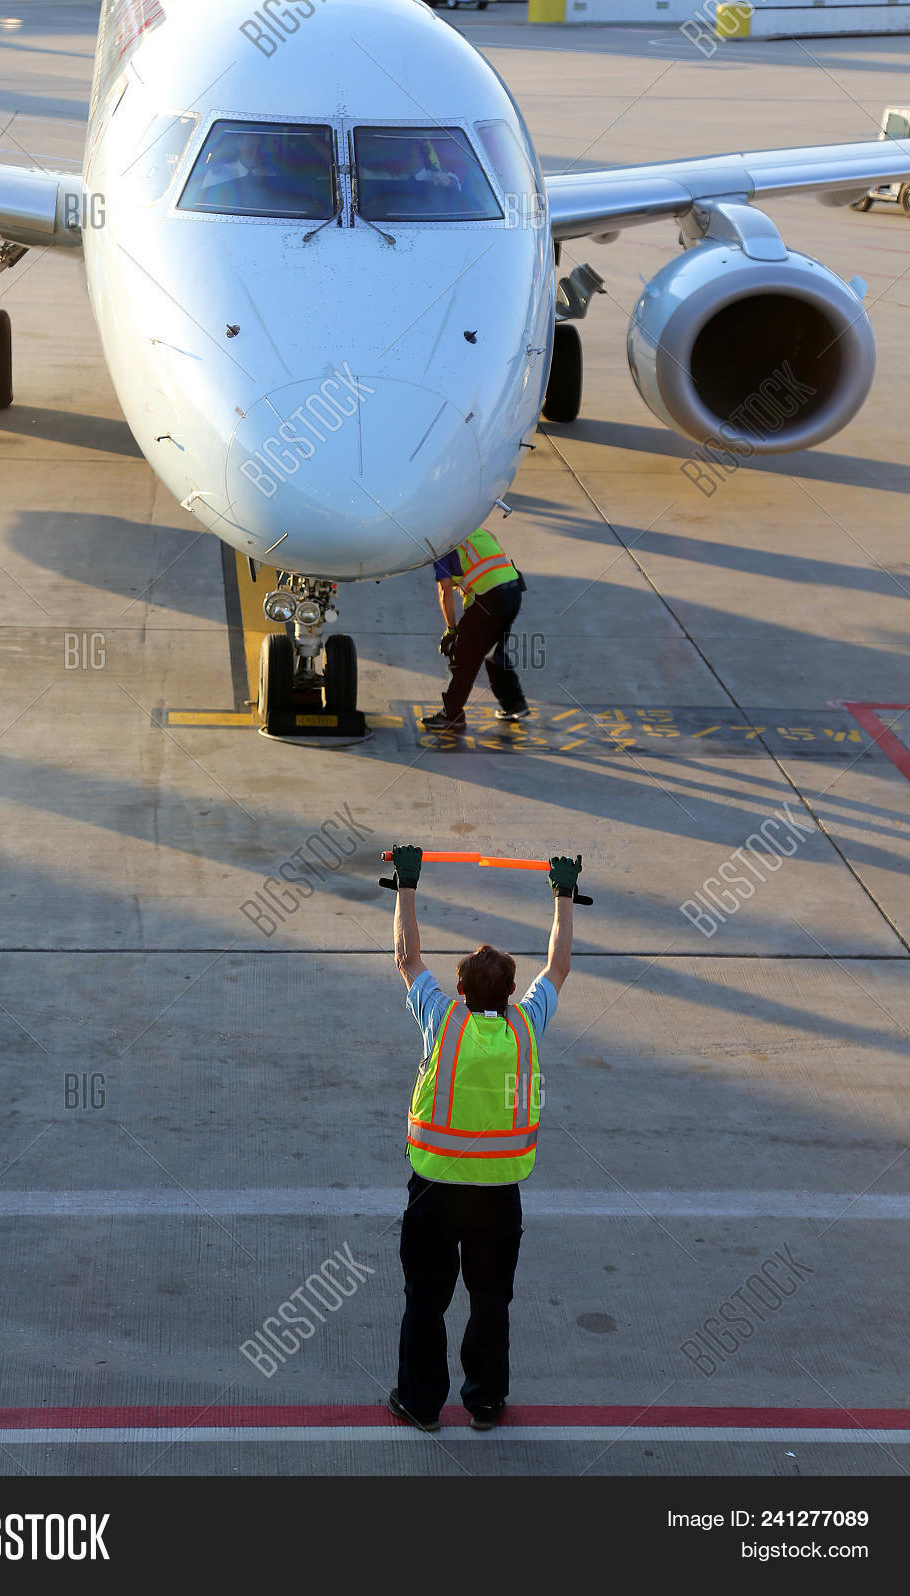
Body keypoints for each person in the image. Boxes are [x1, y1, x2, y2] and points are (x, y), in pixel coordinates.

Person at [387, 842, 581, 1432]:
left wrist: (407, 884)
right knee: (490, 1302)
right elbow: (560, 965)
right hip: (499, 1196)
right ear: (510, 992)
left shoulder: (442, 1020)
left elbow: (406, 955)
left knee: (426, 1300)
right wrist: (564, 895)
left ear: (463, 991)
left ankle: (421, 1404)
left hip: (435, 1189)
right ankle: (486, 1401)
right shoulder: (527, 1026)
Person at [422, 524, 528, 731]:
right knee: (493, 651)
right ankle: (515, 704)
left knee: (463, 656)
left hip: (488, 596)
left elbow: (445, 591)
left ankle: (451, 714)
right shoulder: (479, 529)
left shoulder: (443, 544)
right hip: (513, 591)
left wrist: (451, 630)